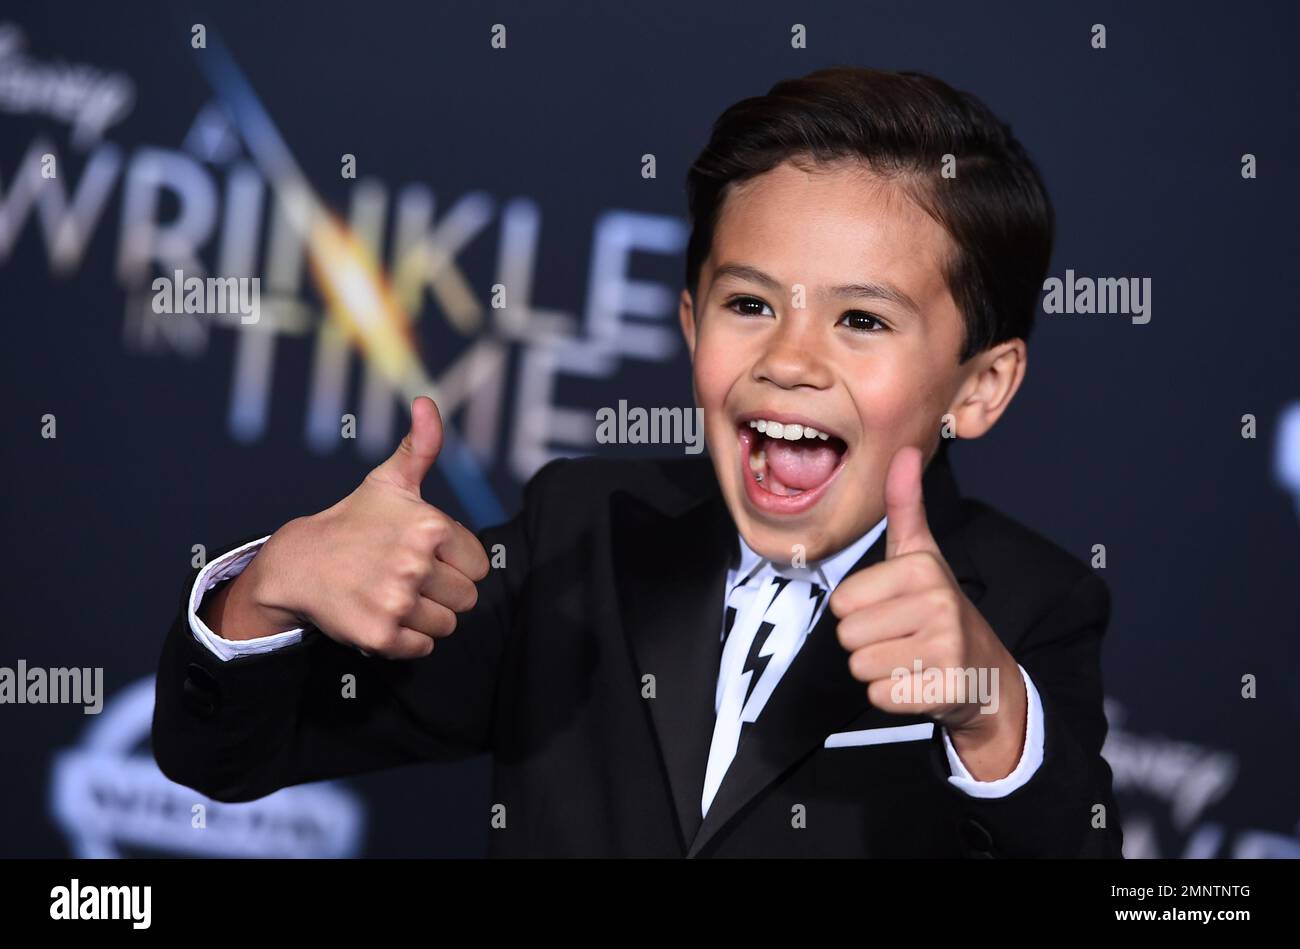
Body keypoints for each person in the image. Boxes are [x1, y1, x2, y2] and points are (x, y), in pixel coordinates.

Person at [152, 66, 1123, 858]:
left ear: (980, 386)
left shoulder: (1030, 607)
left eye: (860, 318)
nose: (788, 359)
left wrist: (988, 713)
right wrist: (266, 595)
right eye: (749, 304)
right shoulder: (583, 524)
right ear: (691, 320)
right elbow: (223, 757)